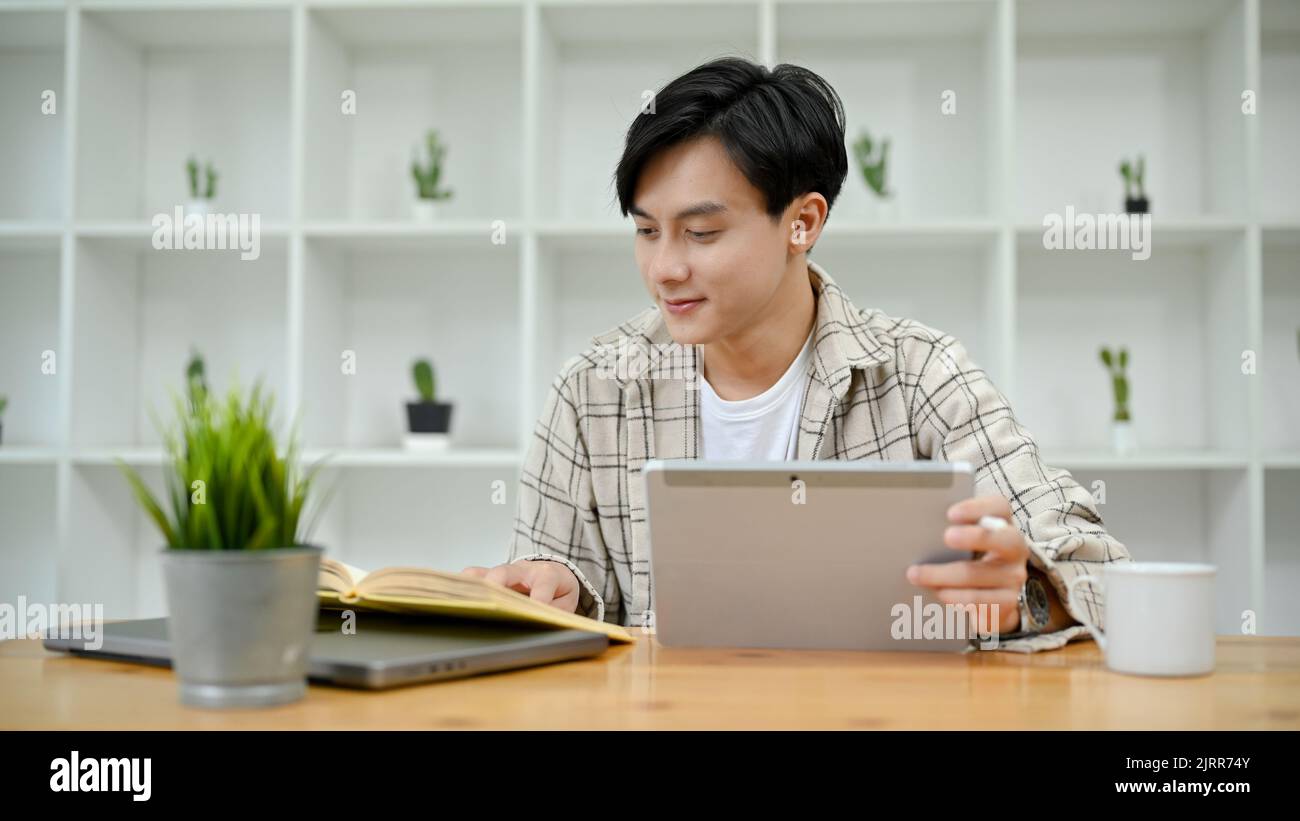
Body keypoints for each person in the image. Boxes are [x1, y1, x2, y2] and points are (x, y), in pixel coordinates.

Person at [463, 57, 1131, 652]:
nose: (663, 267)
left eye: (701, 232)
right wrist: (558, 590)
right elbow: (561, 597)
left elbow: (1103, 574)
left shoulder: (921, 373)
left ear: (803, 221)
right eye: (645, 230)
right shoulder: (595, 387)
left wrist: (1022, 595)